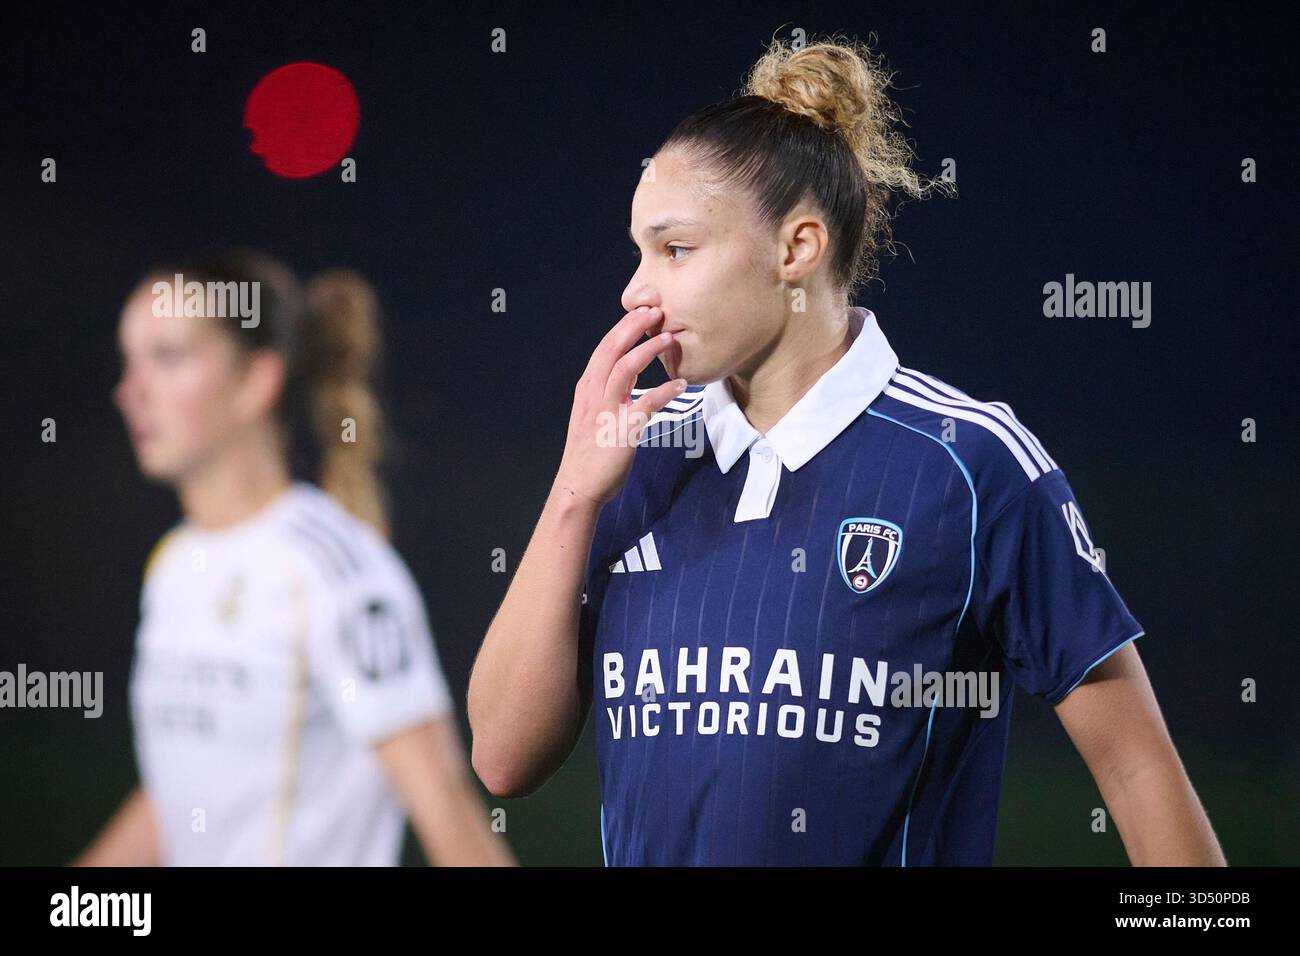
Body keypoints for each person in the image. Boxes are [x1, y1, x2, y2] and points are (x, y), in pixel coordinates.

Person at [467, 37, 1225, 865]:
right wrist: (575, 495)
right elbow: (503, 759)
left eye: (675, 249)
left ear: (797, 250)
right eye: (639, 251)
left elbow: (1138, 769)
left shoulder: (972, 465)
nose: (635, 289)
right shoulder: (634, 458)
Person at [76, 248, 513, 866]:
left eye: (168, 358)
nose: (130, 391)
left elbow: (449, 814)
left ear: (258, 380)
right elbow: (189, 792)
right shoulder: (174, 564)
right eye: (130, 361)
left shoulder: (333, 570)